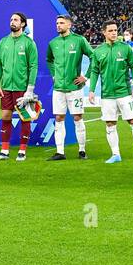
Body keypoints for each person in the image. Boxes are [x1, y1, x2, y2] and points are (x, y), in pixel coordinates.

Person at [86, 20, 133, 164]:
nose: (114, 33)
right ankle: (115, 154)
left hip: (124, 93)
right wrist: (91, 90)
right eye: (111, 31)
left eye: (115, 30)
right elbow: (94, 72)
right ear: (104, 32)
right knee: (110, 124)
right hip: (107, 95)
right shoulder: (98, 51)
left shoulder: (125, 48)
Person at [0, 12, 40, 162]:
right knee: (5, 116)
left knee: (25, 119)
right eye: (11, 19)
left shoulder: (29, 43)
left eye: (16, 20)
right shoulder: (3, 42)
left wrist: (29, 89)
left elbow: (34, 66)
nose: (12, 22)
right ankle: (4, 151)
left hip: (22, 89)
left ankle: (22, 151)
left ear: (23, 24)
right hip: (6, 88)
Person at [46, 14, 93, 160]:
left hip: (75, 89)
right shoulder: (53, 43)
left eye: (61, 23)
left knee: (77, 117)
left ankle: (82, 150)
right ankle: (60, 152)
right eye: (57, 23)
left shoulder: (79, 40)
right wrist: (54, 75)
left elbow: (93, 57)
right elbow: (49, 60)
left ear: (69, 25)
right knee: (59, 118)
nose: (58, 25)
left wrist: (86, 76)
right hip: (59, 88)